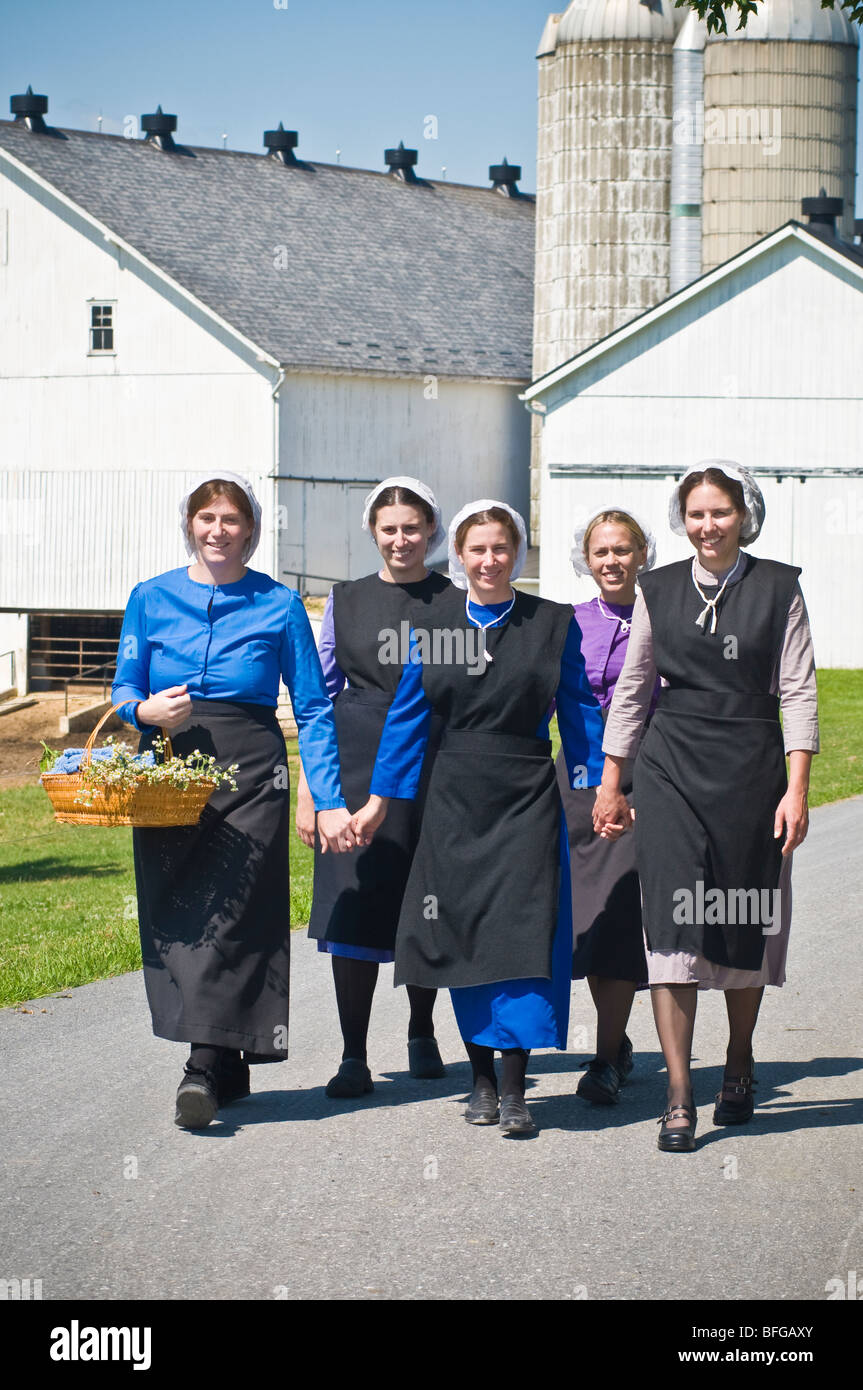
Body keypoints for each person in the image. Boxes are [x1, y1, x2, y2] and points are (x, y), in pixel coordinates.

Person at [351, 501, 605, 1135]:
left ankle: (516, 1090)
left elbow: (579, 712)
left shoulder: (553, 623)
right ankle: (481, 1082)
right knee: (460, 937)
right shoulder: (433, 623)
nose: (489, 560)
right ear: (458, 557)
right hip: (453, 799)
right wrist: (381, 799)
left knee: (519, 937)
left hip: (525, 798)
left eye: (501, 548)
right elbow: (407, 719)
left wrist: (600, 786)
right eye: (477, 550)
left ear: (517, 553)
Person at [112, 472, 356, 1129]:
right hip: (168, 768)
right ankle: (227, 1054)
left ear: (251, 528)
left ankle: (202, 1064)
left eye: (231, 519)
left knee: (236, 910)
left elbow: (312, 706)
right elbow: (122, 687)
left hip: (251, 771)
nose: (218, 530)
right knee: (179, 910)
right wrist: (143, 709)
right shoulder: (149, 597)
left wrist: (325, 795)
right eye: (206, 518)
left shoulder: (278, 606)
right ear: (189, 524)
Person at [594, 463, 818, 1152]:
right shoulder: (654, 589)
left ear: (742, 515)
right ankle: (678, 1094)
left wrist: (797, 787)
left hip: (750, 769)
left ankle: (740, 1058)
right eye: (695, 514)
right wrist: (611, 782)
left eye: (719, 512)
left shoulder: (779, 586)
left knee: (740, 917)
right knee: (668, 925)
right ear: (681, 520)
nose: (707, 525)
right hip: (669, 770)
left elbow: (799, 691)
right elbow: (632, 691)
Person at [297, 477, 451, 1098]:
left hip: (432, 760)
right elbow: (320, 696)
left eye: (411, 528)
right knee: (355, 899)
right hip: (355, 758)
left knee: (427, 899)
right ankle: (353, 1054)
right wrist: (315, 791)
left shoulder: (454, 599)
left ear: (431, 532)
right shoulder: (345, 600)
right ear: (372, 533)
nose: (400, 539)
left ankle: (422, 1030)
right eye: (388, 528)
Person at [556, 506, 659, 1105]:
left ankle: (603, 1057)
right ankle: (615, 1044)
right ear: (586, 559)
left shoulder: (663, 616)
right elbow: (539, 700)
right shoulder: (567, 622)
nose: (613, 561)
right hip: (575, 787)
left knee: (618, 912)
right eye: (602, 552)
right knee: (583, 919)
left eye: (623, 550)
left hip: (643, 785)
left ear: (642, 554)